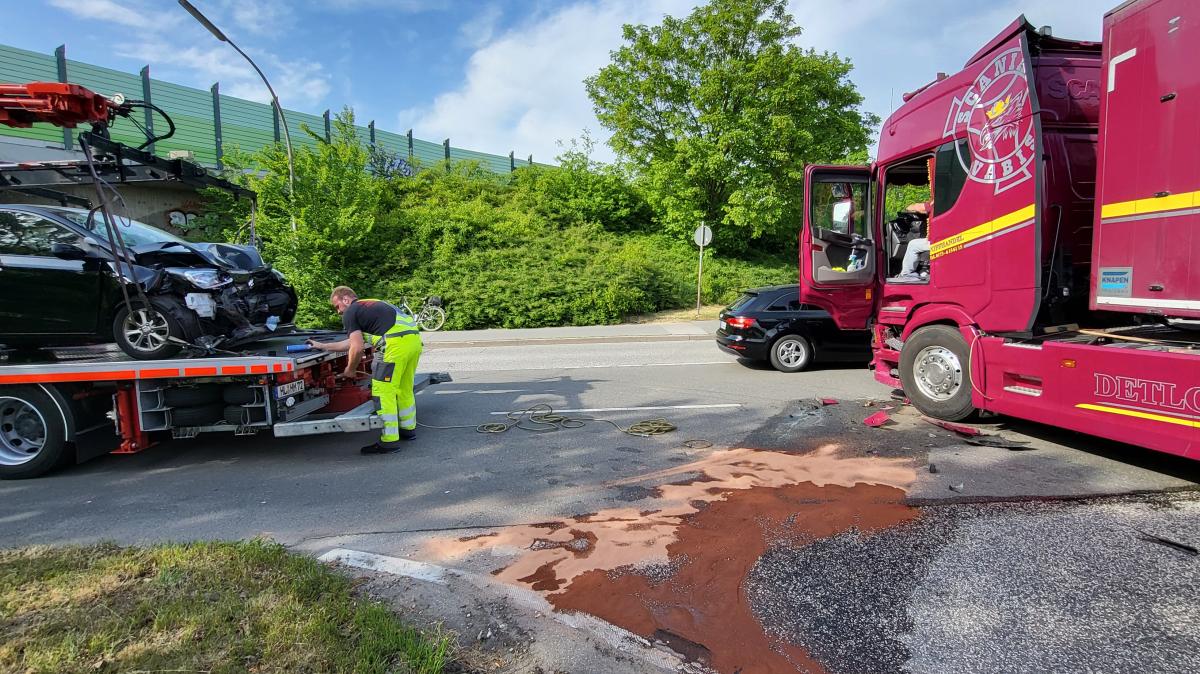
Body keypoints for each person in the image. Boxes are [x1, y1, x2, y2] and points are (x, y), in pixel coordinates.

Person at [307, 286, 422, 454]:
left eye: (337, 306)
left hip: (394, 347)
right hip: (413, 343)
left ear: (345, 299)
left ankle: (389, 441)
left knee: (383, 392)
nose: (338, 312)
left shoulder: (350, 312)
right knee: (404, 388)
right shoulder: (371, 304)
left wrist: (350, 369)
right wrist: (323, 346)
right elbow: (352, 342)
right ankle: (408, 429)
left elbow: (357, 347)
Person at [899, 201, 931, 278]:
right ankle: (923, 270)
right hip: (946, 239)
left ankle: (906, 274)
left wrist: (907, 207)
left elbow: (916, 207)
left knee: (913, 244)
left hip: (939, 241)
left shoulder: (937, 203)